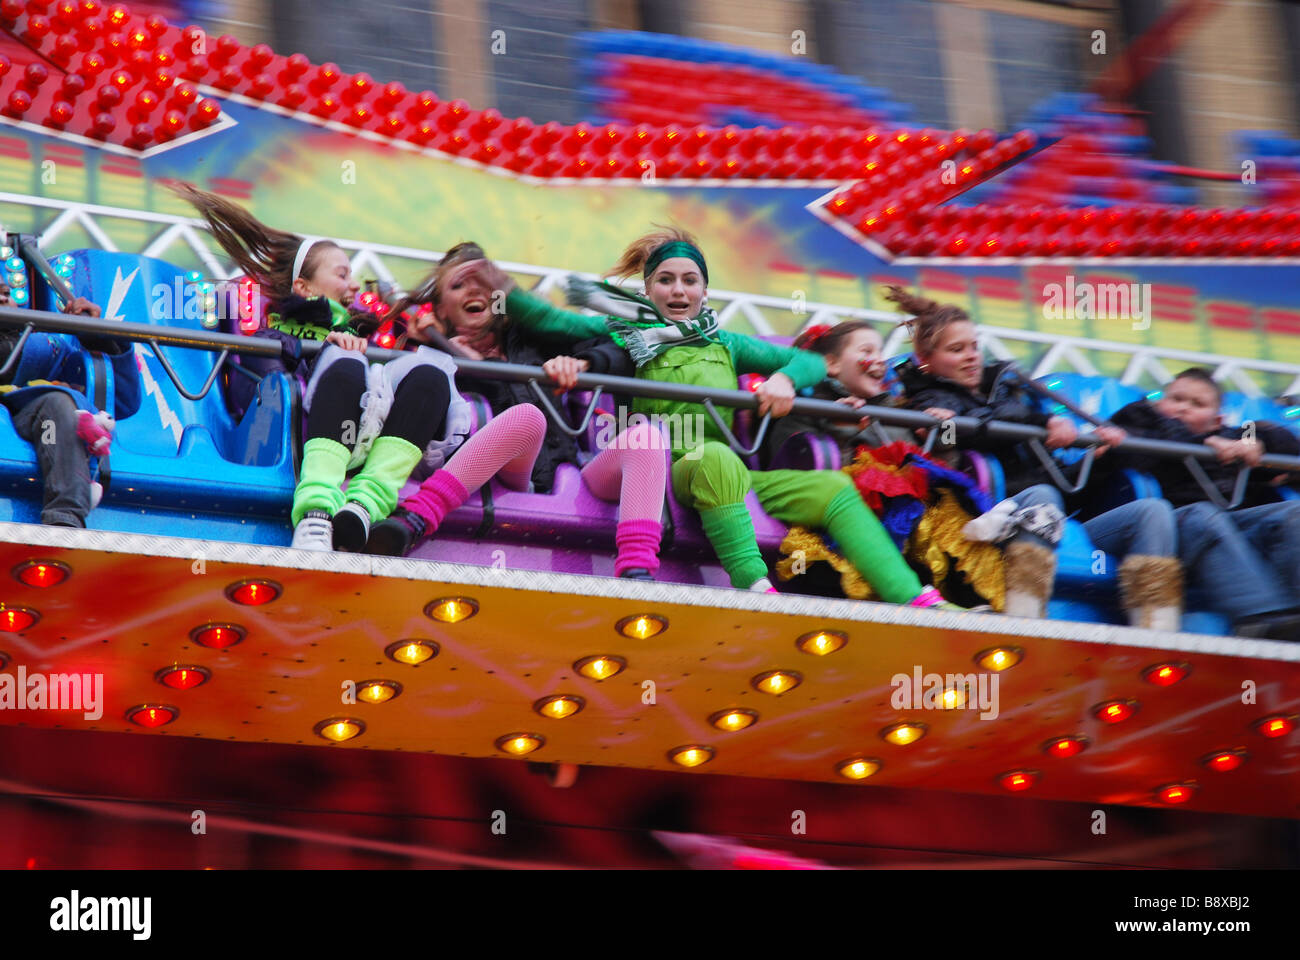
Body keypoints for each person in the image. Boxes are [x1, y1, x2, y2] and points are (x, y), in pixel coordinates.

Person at [450, 227, 958, 609]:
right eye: (665, 280)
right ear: (649, 292)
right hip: (665, 467)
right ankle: (754, 590)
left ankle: (910, 598)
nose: (677, 290)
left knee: (831, 488)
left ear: (704, 291)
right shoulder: (629, 333)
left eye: (689, 280)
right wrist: (503, 287)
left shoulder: (726, 342)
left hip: (727, 474)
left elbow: (808, 362)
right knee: (713, 456)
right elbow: (552, 320)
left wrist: (784, 380)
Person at [173, 183, 467, 552]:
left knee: (431, 374)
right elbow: (263, 392)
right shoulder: (273, 333)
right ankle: (316, 515)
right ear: (303, 286)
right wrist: (321, 352)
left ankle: (364, 505)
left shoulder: (367, 335)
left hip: (369, 437)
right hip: (302, 437)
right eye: (342, 274)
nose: (355, 284)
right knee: (345, 363)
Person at [366, 243, 667, 581]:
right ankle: (416, 517)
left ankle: (637, 571)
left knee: (646, 438)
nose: (473, 290)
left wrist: (582, 363)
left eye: (481, 280)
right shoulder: (430, 359)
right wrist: (463, 360)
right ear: (441, 310)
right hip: (498, 473)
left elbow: (625, 351)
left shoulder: (536, 340)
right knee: (526, 417)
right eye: (458, 284)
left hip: (563, 470)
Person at [890, 285, 1184, 628]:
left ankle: (1156, 628)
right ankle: (1024, 619)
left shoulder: (1010, 390)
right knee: (1042, 499)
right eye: (956, 350)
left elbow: (1069, 484)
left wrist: (1105, 454)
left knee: (1153, 511)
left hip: (1053, 514)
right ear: (927, 361)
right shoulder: (929, 399)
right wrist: (1042, 423)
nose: (972, 356)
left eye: (974, 346)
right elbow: (963, 430)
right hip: (984, 520)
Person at [764, 321, 1004, 608]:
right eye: (867, 350)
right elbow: (801, 476)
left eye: (880, 351)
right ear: (831, 364)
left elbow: (944, 469)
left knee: (951, 505)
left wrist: (943, 435)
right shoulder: (804, 412)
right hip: (843, 528)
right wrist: (842, 429)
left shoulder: (900, 413)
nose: (878, 359)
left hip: (916, 525)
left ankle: (971, 603)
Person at [1108, 367, 1300, 639]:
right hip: (1165, 527)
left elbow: (1276, 438)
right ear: (1160, 401)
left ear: (1217, 419)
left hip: (1229, 529)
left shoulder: (1233, 434)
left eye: (1197, 404)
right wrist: (1207, 443)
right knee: (1203, 515)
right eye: (1176, 399)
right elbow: (1150, 443)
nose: (1183, 408)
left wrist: (1249, 443)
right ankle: (1261, 618)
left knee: (1294, 515)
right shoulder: (1140, 417)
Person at [0, 282, 140, 527]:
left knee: (60, 405)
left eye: (5, 293)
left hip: (41, 426)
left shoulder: (44, 348)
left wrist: (96, 336)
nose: (3, 300)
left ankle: (64, 522)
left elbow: (120, 400)